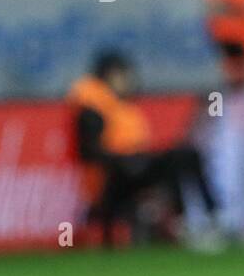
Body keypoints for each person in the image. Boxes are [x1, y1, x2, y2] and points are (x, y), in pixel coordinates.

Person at [68, 51, 224, 249]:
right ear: (109, 75)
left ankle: (211, 216)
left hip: (133, 167)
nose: (128, 81)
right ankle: (184, 222)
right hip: (113, 177)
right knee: (176, 159)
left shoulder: (120, 105)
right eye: (123, 76)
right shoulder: (93, 107)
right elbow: (90, 152)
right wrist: (126, 160)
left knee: (186, 155)